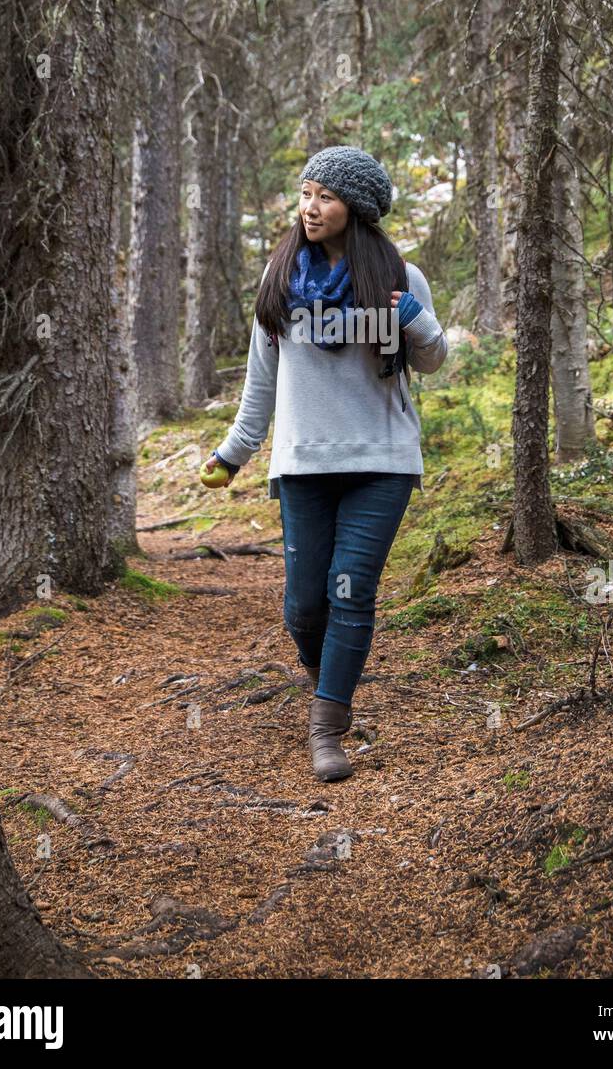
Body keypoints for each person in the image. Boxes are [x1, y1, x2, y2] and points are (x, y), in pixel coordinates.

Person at [204, 146, 448, 782]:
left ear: (356, 210)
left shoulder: (401, 276)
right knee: (304, 606)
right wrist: (234, 452)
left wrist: (411, 318)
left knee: (351, 589)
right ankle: (329, 683)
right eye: (306, 193)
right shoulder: (281, 278)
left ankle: (326, 726)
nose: (310, 208)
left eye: (326, 197)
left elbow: (434, 359)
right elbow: (262, 382)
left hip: (381, 461)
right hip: (303, 463)